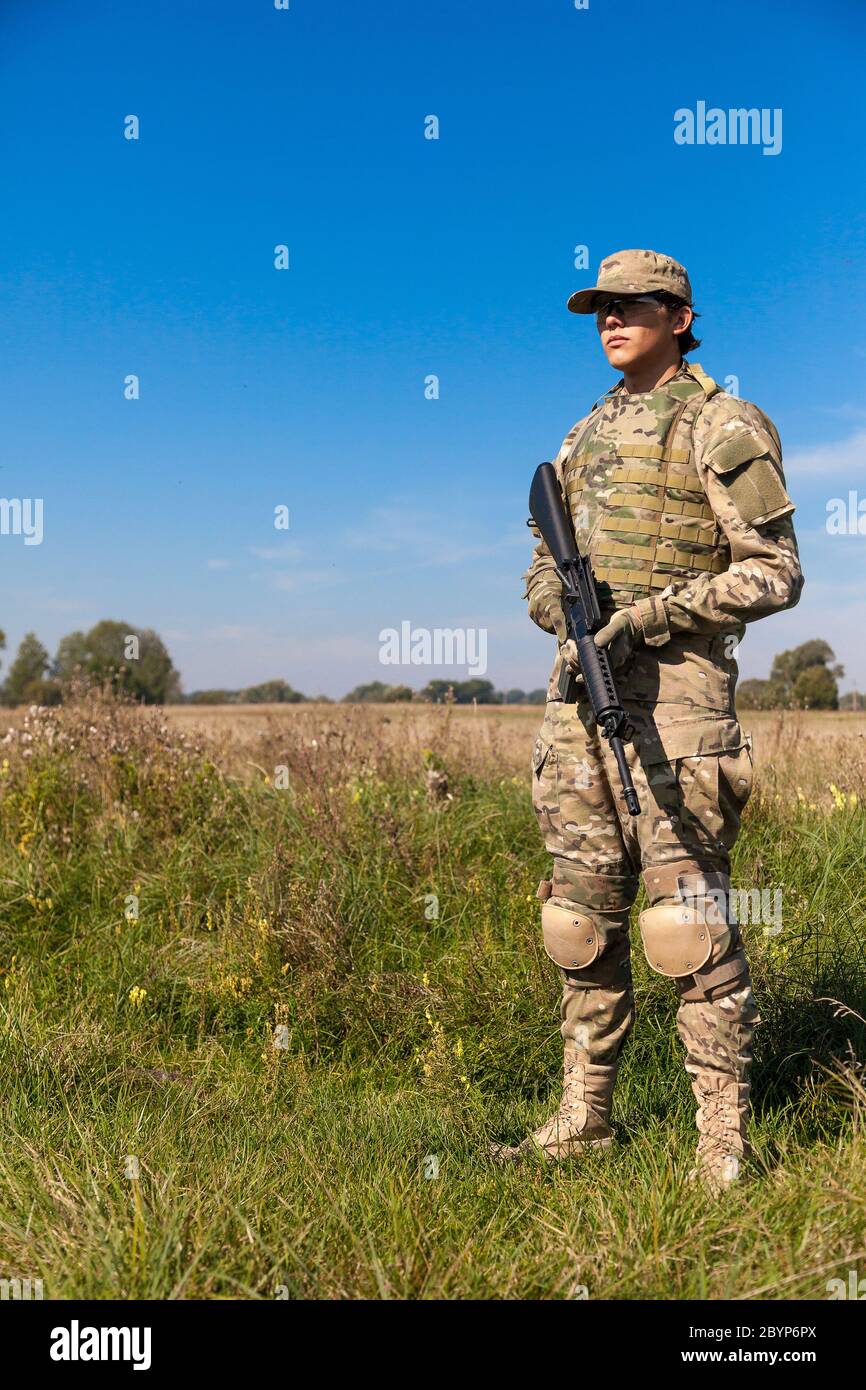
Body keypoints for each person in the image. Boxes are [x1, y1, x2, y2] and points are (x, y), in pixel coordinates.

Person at [496, 249, 803, 1192]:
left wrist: (652, 617)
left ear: (678, 314)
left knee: (686, 925)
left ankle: (722, 1138)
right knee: (577, 923)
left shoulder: (724, 422)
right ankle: (585, 1118)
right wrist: (562, 607)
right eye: (600, 309)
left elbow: (776, 571)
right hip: (578, 709)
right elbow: (542, 563)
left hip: (677, 709)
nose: (610, 322)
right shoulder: (583, 436)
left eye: (630, 306)